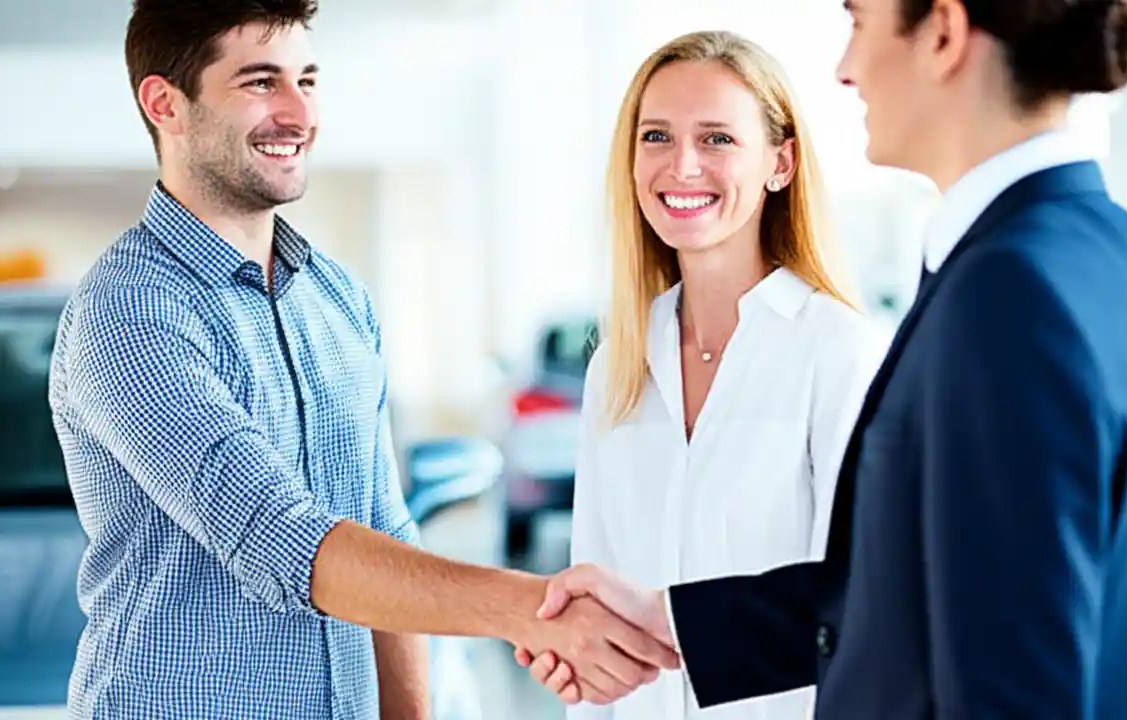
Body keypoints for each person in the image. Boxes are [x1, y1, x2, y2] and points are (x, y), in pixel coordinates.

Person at [519, 1, 1127, 718]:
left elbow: (1011, 674)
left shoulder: (1008, 294)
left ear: (942, 33)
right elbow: (903, 596)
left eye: (858, 21)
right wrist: (673, 620)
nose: (845, 69)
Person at [47, 1, 677, 717]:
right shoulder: (128, 311)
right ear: (166, 104)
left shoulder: (339, 299)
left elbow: (384, 529)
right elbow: (282, 537)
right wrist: (533, 608)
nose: (298, 114)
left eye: (306, 80)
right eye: (260, 83)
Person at [512, 30, 884, 719]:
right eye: (656, 137)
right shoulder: (617, 364)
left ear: (781, 163)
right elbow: (592, 607)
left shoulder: (837, 352)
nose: (682, 165)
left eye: (717, 138)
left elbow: (864, 603)